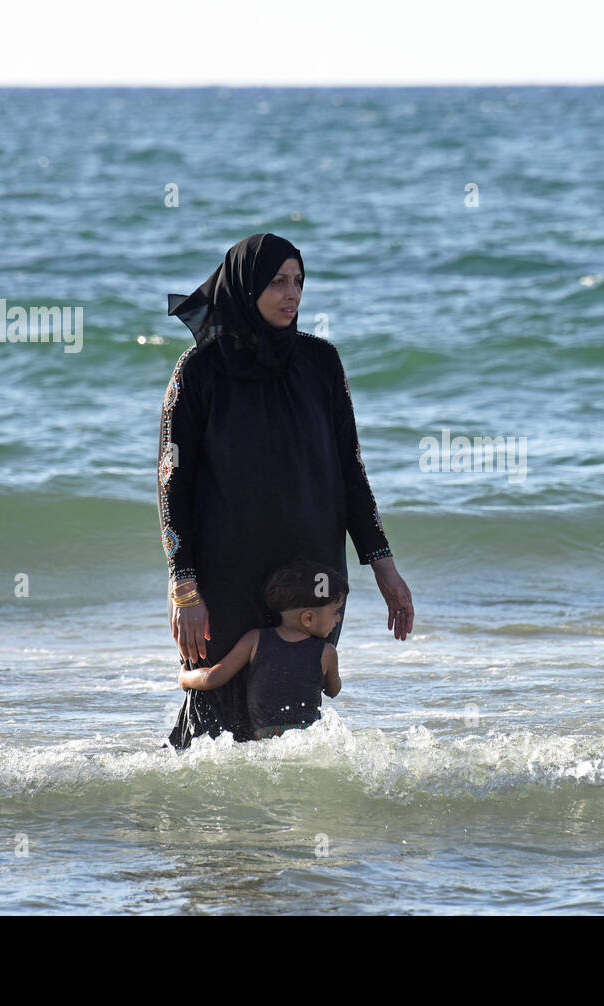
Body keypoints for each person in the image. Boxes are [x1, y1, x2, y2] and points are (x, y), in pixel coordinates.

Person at [158, 233, 414, 749]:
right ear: (246, 285)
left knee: (291, 727)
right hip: (226, 575)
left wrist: (383, 566)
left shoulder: (321, 363)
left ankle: (286, 828)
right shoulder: (199, 370)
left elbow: (351, 471)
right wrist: (184, 584)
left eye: (298, 281)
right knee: (217, 725)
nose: (291, 294)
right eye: (277, 282)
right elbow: (172, 481)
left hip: (312, 576)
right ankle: (203, 826)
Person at [177, 560, 345, 740]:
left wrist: (184, 678)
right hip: (307, 740)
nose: (338, 618)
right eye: (335, 612)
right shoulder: (327, 653)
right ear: (308, 619)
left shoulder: (254, 640)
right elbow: (333, 691)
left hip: (264, 739)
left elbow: (212, 678)